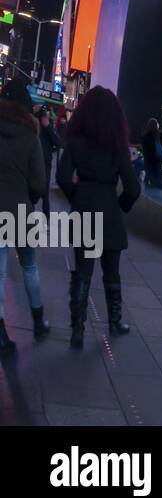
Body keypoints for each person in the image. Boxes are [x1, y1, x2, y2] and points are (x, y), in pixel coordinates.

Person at [57, 86, 141, 347]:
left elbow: (61, 178)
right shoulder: (117, 147)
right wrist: (119, 206)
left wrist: (78, 197)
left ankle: (77, 330)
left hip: (84, 211)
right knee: (111, 273)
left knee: (82, 272)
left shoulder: (75, 142)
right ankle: (115, 322)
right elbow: (132, 188)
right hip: (109, 213)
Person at [0, 79, 51, 353]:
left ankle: (1, 335)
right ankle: (38, 319)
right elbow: (38, 182)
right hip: (22, 213)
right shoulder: (31, 136)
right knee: (29, 267)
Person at [36, 104, 59, 215]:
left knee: (45, 194)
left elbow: (57, 142)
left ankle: (45, 221)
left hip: (45, 163)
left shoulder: (49, 127)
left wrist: (48, 126)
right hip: (34, 161)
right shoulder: (35, 125)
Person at [141, 118, 162, 189]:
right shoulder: (160, 135)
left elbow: (144, 150)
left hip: (148, 162)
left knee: (149, 181)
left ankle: (148, 198)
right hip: (158, 162)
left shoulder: (145, 136)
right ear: (156, 125)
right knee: (159, 179)